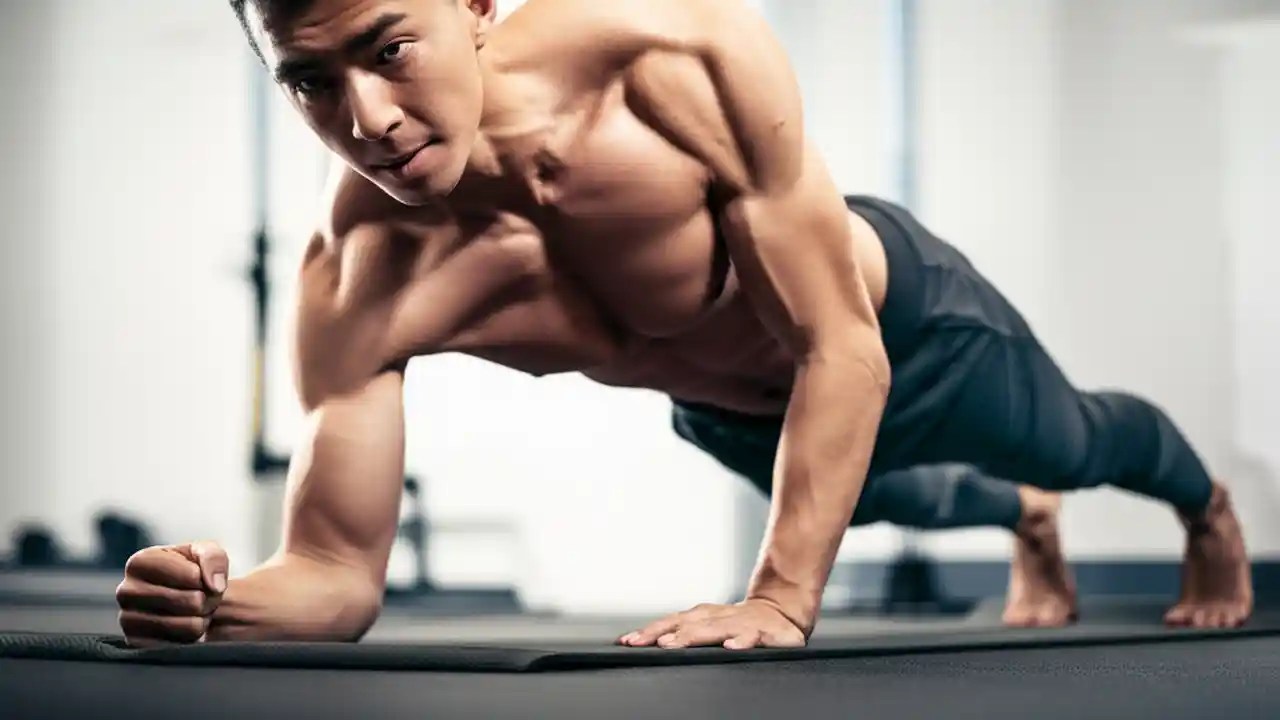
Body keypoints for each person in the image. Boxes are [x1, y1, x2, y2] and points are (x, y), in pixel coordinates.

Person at [114, 0, 1252, 649]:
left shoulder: (669, 61)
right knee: (890, 499)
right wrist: (214, 605)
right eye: (310, 82)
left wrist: (779, 599)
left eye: (387, 49)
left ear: (475, 4)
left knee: (1072, 440)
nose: (365, 119)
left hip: (900, 330)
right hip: (728, 409)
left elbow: (839, 348)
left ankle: (1203, 507)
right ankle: (1025, 519)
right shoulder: (359, 270)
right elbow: (333, 572)